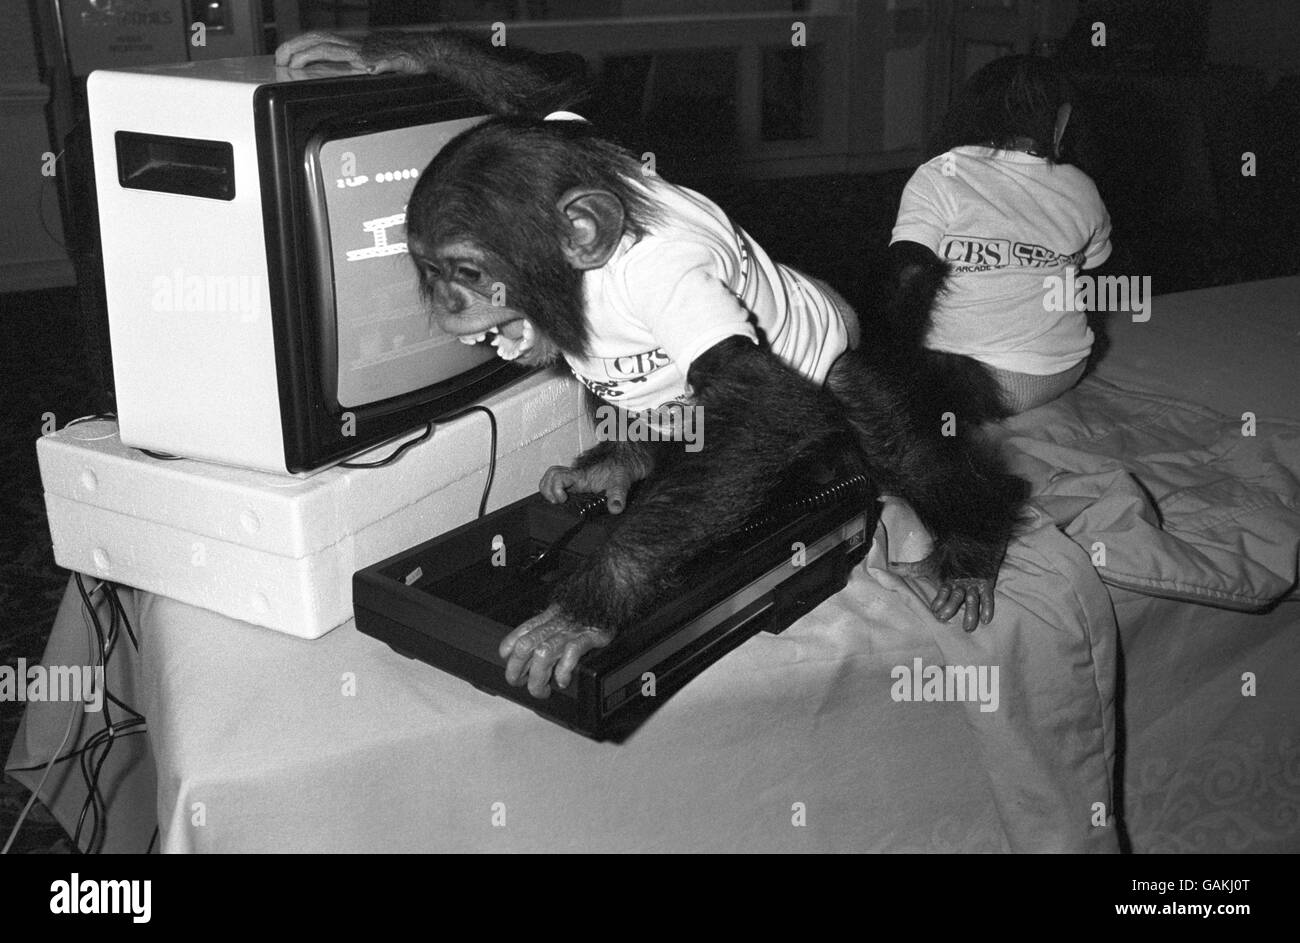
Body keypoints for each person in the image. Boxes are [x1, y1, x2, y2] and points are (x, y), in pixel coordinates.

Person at [890, 54, 1112, 414]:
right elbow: (1094, 263)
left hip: (973, 381)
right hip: (1065, 367)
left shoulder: (938, 174)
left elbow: (906, 272)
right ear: (1061, 123)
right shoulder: (1083, 187)